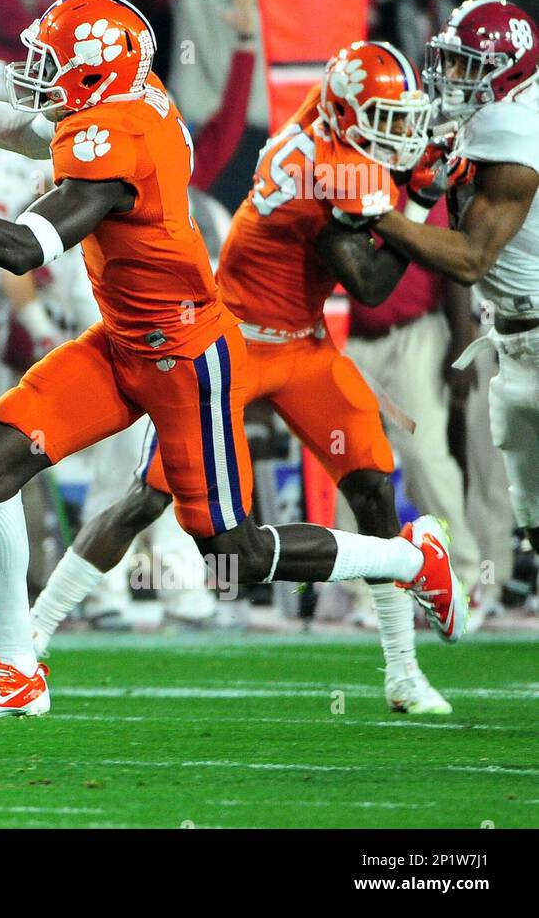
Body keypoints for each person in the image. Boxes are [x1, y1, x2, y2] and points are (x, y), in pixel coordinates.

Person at [0, 0, 468, 727]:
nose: (38, 74)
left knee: (236, 551)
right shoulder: (136, 93)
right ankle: (17, 666)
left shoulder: (119, 144)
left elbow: (21, 248)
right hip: (125, 343)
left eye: (54, 64)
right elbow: (36, 130)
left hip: (189, 359)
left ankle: (411, 561)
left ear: (96, 75)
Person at [23, 41, 453, 714]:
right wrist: (423, 197)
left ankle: (402, 669)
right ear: (346, 116)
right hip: (234, 345)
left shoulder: (329, 125)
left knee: (373, 484)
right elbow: (370, 283)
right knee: (146, 498)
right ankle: (29, 641)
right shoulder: (330, 172)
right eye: (385, 118)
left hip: (303, 344)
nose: (397, 133)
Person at [375, 0, 539, 570]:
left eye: (470, 65)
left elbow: (470, 257)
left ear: (509, 71)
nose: (451, 77)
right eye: (450, 60)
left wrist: (377, 214)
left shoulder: (516, 134)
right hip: (513, 334)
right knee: (532, 515)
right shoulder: (494, 114)